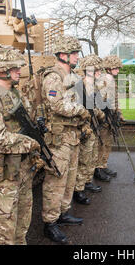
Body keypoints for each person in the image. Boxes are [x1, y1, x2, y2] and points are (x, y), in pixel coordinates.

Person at [0, 44, 40, 245]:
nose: (19, 71)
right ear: (1, 70)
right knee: (4, 228)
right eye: (14, 68)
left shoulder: (15, 94)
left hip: (23, 169)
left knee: (21, 224)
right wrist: (28, 143)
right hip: (5, 174)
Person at [38, 35, 90, 244]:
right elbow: (57, 105)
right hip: (58, 138)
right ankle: (50, 223)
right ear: (63, 55)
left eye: (77, 53)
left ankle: (62, 212)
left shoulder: (73, 76)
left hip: (73, 134)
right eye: (74, 53)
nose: (77, 57)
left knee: (69, 177)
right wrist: (81, 110)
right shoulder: (53, 77)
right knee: (56, 180)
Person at [73, 55, 105, 204]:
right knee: (83, 159)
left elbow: (95, 106)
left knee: (91, 156)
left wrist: (100, 114)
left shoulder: (94, 86)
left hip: (93, 125)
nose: (99, 72)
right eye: (96, 70)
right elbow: (80, 108)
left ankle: (87, 181)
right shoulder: (80, 86)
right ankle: (78, 189)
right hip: (84, 127)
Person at [95, 55, 125, 182]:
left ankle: (103, 164)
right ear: (108, 68)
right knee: (100, 143)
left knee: (107, 142)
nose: (118, 70)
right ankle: (97, 168)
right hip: (103, 117)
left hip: (110, 117)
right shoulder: (103, 81)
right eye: (116, 68)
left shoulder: (112, 80)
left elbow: (115, 99)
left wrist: (118, 112)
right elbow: (98, 100)